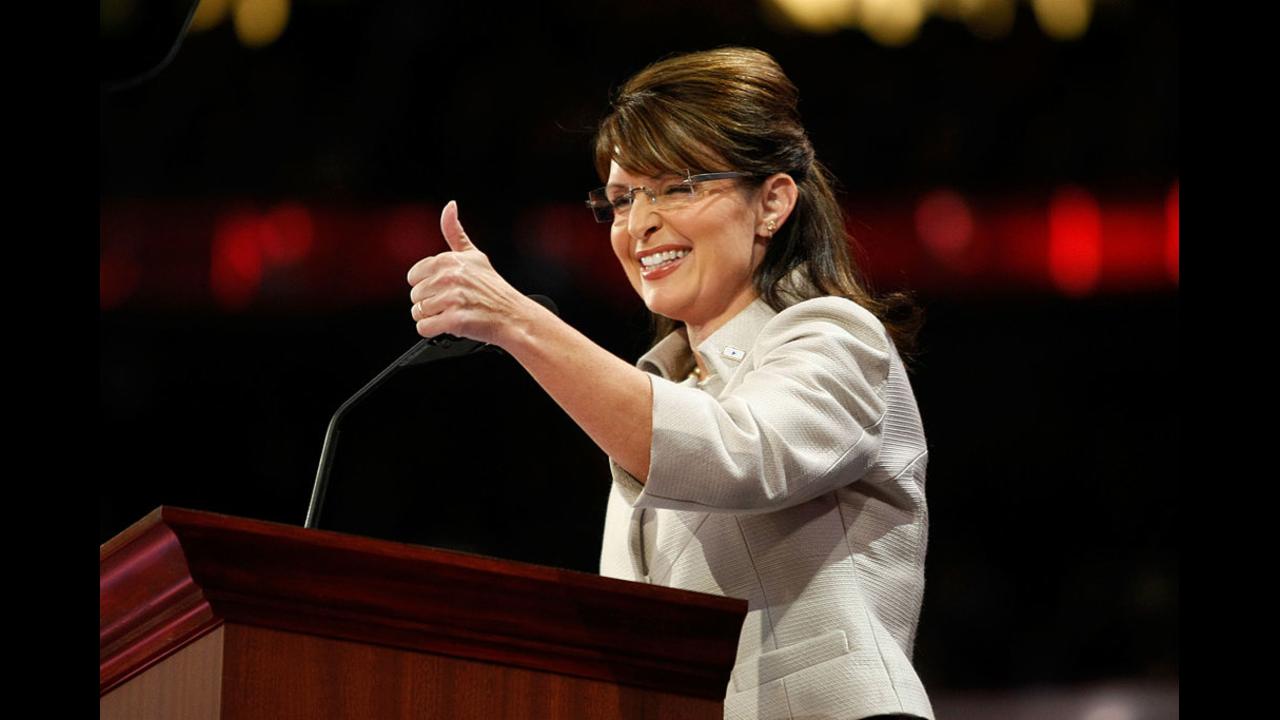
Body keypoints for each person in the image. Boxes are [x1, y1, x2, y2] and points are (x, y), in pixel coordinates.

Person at [407, 47, 932, 720]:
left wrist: (519, 322)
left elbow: (736, 454)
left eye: (677, 186)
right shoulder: (660, 389)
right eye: (623, 198)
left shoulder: (837, 341)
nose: (640, 223)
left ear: (772, 202)